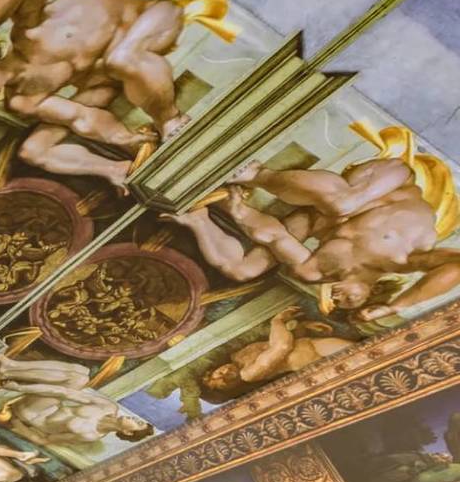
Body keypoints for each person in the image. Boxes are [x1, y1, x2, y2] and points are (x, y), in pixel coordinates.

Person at [0, 0, 191, 188]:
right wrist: (122, 137)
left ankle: (171, 119)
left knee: (121, 58)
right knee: (33, 151)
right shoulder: (22, 99)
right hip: (110, 75)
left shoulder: (27, 33)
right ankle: (115, 169)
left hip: (151, 20)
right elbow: (79, 117)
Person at [163, 159, 460, 319]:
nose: (340, 295)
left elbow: (276, 235)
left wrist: (240, 212)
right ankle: (257, 174)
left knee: (243, 270)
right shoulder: (402, 261)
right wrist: (395, 307)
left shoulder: (317, 272)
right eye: (351, 300)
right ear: (372, 293)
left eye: (337, 300)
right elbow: (456, 266)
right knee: (342, 204)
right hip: (387, 181)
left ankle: (197, 218)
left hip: (320, 212)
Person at [200, 306, 352, 403]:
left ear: (213, 371)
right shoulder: (249, 374)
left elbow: (275, 342)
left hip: (310, 342)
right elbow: (282, 346)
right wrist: (277, 321)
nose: (226, 372)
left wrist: (303, 326)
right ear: (234, 388)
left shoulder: (236, 356)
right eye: (226, 381)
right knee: (360, 354)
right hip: (316, 352)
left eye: (219, 373)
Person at [0, 356, 153, 446]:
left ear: (127, 432)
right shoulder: (108, 407)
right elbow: (67, 393)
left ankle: (9, 371)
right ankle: (12, 367)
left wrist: (16, 423)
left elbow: (45, 440)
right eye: (139, 419)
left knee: (76, 380)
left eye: (137, 423)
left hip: (30, 414)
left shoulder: (90, 435)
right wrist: (20, 388)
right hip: (43, 403)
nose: (135, 418)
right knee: (81, 375)